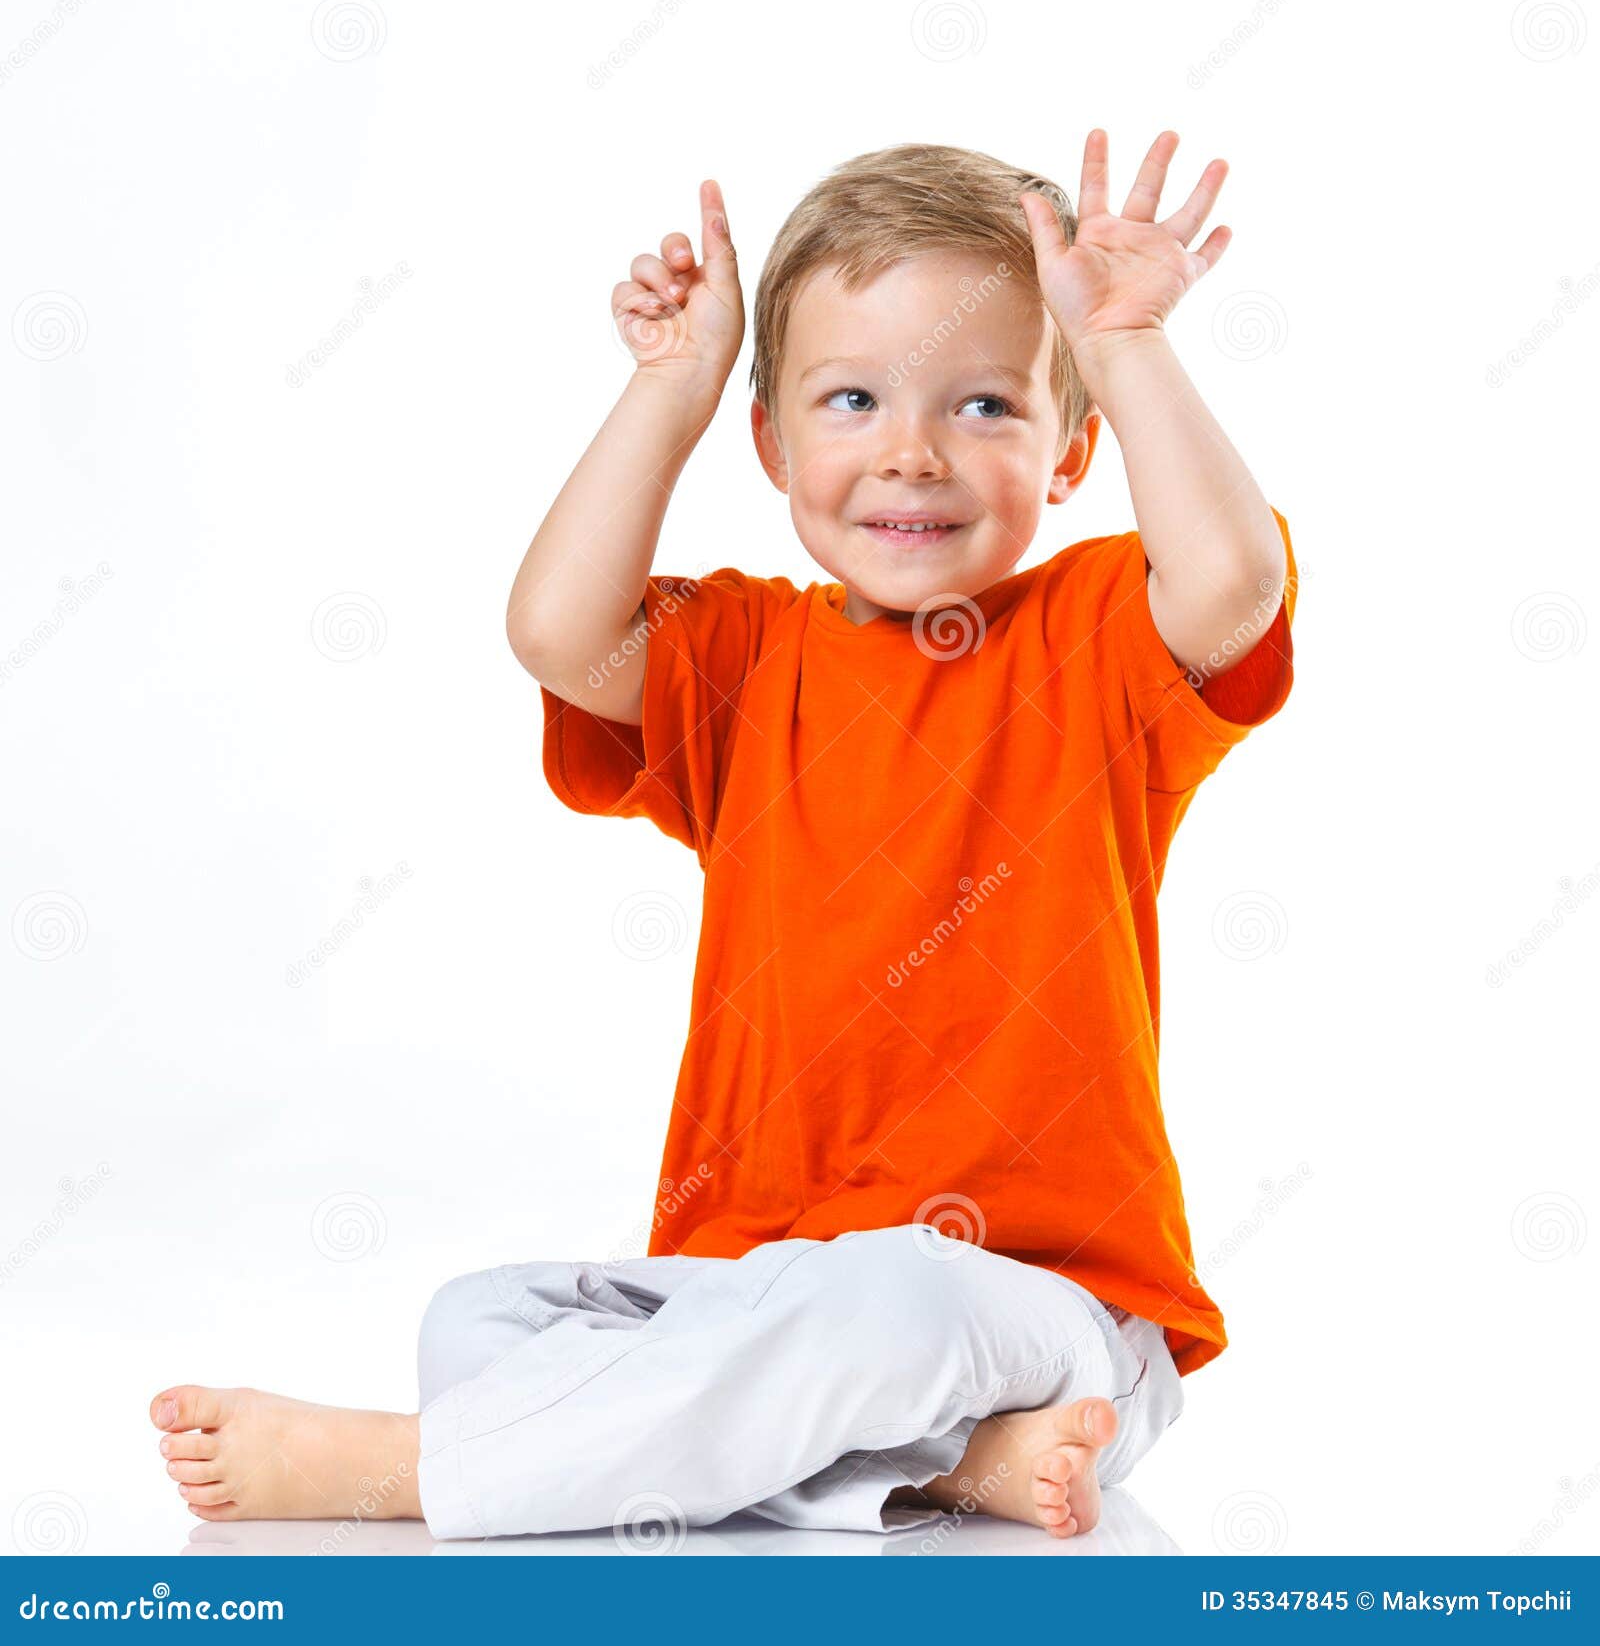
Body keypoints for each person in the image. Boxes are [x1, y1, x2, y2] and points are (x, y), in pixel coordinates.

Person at [149, 131, 1297, 1543]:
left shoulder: (1100, 640)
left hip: (1044, 1304)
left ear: (1071, 451)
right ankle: (944, 1469)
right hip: (761, 1283)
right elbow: (560, 633)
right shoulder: (752, 655)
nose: (913, 451)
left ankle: (410, 1472)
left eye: (989, 403)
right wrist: (669, 388)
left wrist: (1122, 345)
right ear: (774, 442)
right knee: (482, 1321)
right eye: (853, 398)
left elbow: (1235, 580)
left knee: (884, 1299)